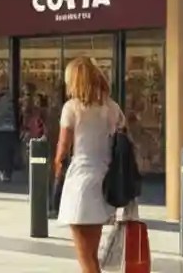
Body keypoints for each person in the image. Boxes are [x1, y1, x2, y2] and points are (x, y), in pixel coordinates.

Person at [54, 57, 123, 273]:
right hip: (104, 180)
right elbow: (122, 136)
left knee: (85, 258)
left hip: (81, 180)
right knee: (92, 255)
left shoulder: (72, 108)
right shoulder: (111, 107)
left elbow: (63, 146)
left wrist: (57, 165)